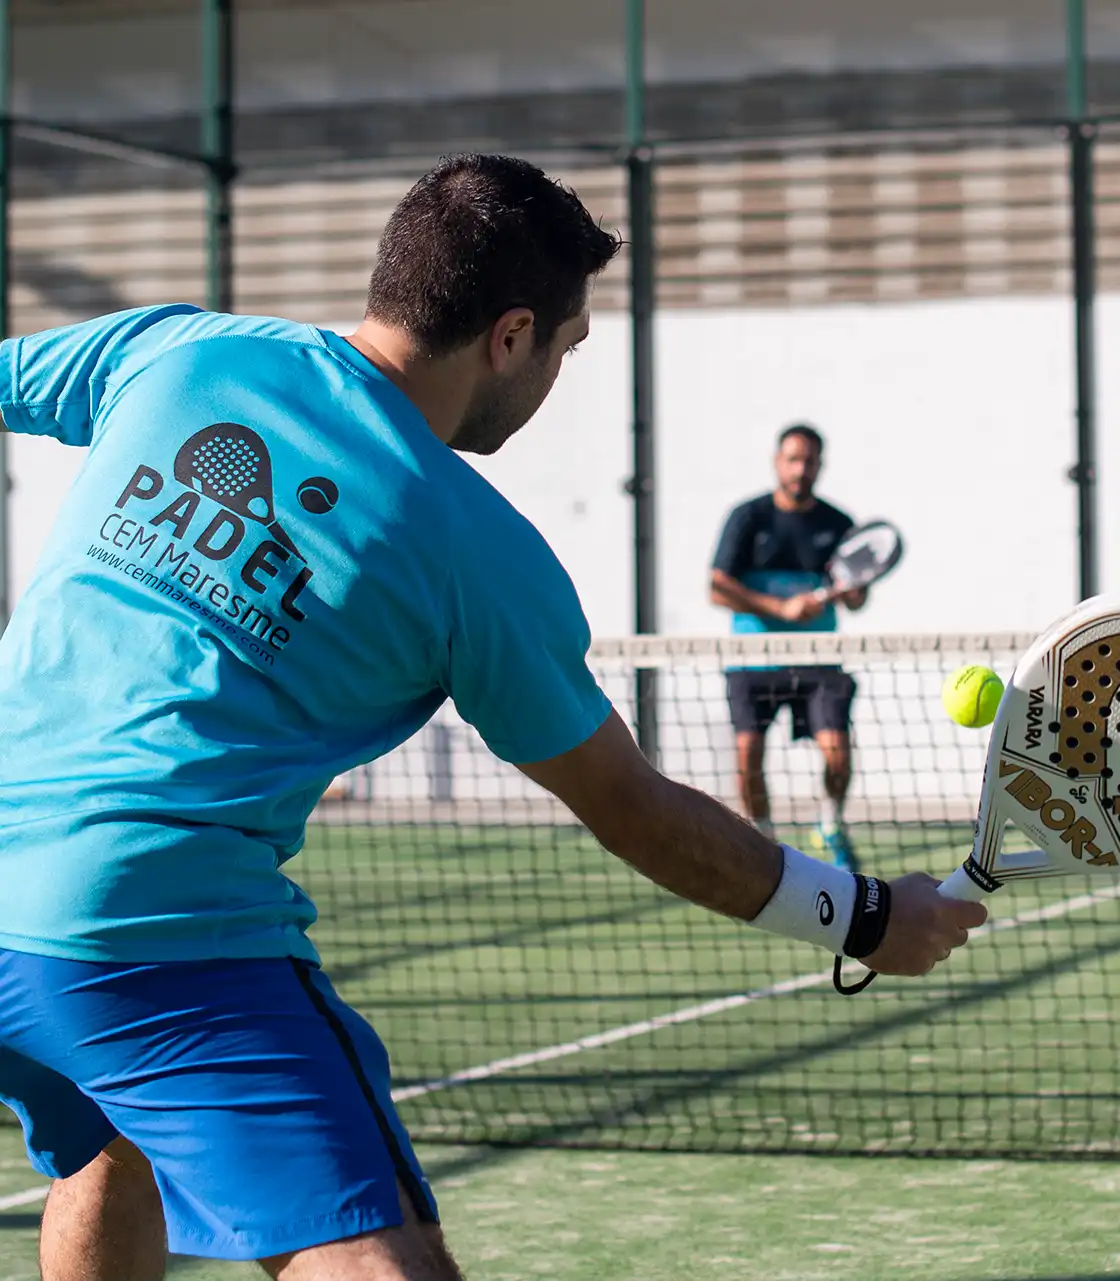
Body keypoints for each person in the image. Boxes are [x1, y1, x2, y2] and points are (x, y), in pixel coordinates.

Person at [0, 154, 984, 1281]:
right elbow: (632, 808)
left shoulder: (179, 351)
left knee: (117, 1140)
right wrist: (862, 916)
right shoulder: (474, 549)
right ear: (510, 337)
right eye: (567, 347)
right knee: (384, 1262)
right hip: (146, 930)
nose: (558, 372)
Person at [710, 424, 870, 871]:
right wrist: (781, 608)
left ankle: (830, 824)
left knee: (837, 752)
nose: (801, 469)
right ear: (777, 462)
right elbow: (718, 587)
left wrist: (851, 592)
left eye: (809, 461)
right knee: (748, 756)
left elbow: (857, 597)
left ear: (820, 466)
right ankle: (762, 840)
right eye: (793, 459)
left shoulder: (838, 524)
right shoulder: (747, 518)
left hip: (817, 663)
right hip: (753, 662)